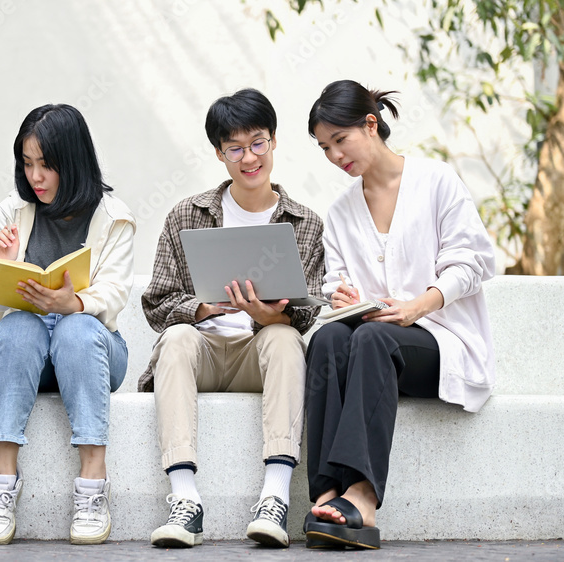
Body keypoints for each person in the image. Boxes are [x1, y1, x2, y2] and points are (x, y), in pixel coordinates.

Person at [303, 79, 496, 550]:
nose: (334, 156)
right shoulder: (342, 210)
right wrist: (343, 300)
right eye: (324, 147)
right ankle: (328, 490)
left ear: (371, 125)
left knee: (373, 340)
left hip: (440, 338)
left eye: (339, 141)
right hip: (376, 337)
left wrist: (418, 306)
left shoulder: (436, 181)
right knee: (326, 341)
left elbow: (474, 261)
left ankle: (364, 495)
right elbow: (335, 285)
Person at [140, 88, 325, 548]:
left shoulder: (304, 223)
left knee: (286, 342)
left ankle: (275, 497)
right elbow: (157, 303)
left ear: (274, 141)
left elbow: (305, 314)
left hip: (257, 354)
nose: (249, 158)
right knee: (178, 338)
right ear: (219, 153)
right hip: (201, 348)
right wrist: (203, 308)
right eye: (235, 148)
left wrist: (267, 315)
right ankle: (185, 501)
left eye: (257, 143)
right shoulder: (188, 214)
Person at [0, 104, 136, 545]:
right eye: (27, 164)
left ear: (74, 162)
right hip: (28, 353)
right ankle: (2, 484)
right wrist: (0, 267)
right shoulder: (13, 209)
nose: (36, 177)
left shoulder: (113, 215)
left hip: (94, 348)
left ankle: (92, 485)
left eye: (46, 165)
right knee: (18, 327)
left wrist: (74, 302)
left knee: (76, 328)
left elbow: (115, 293)